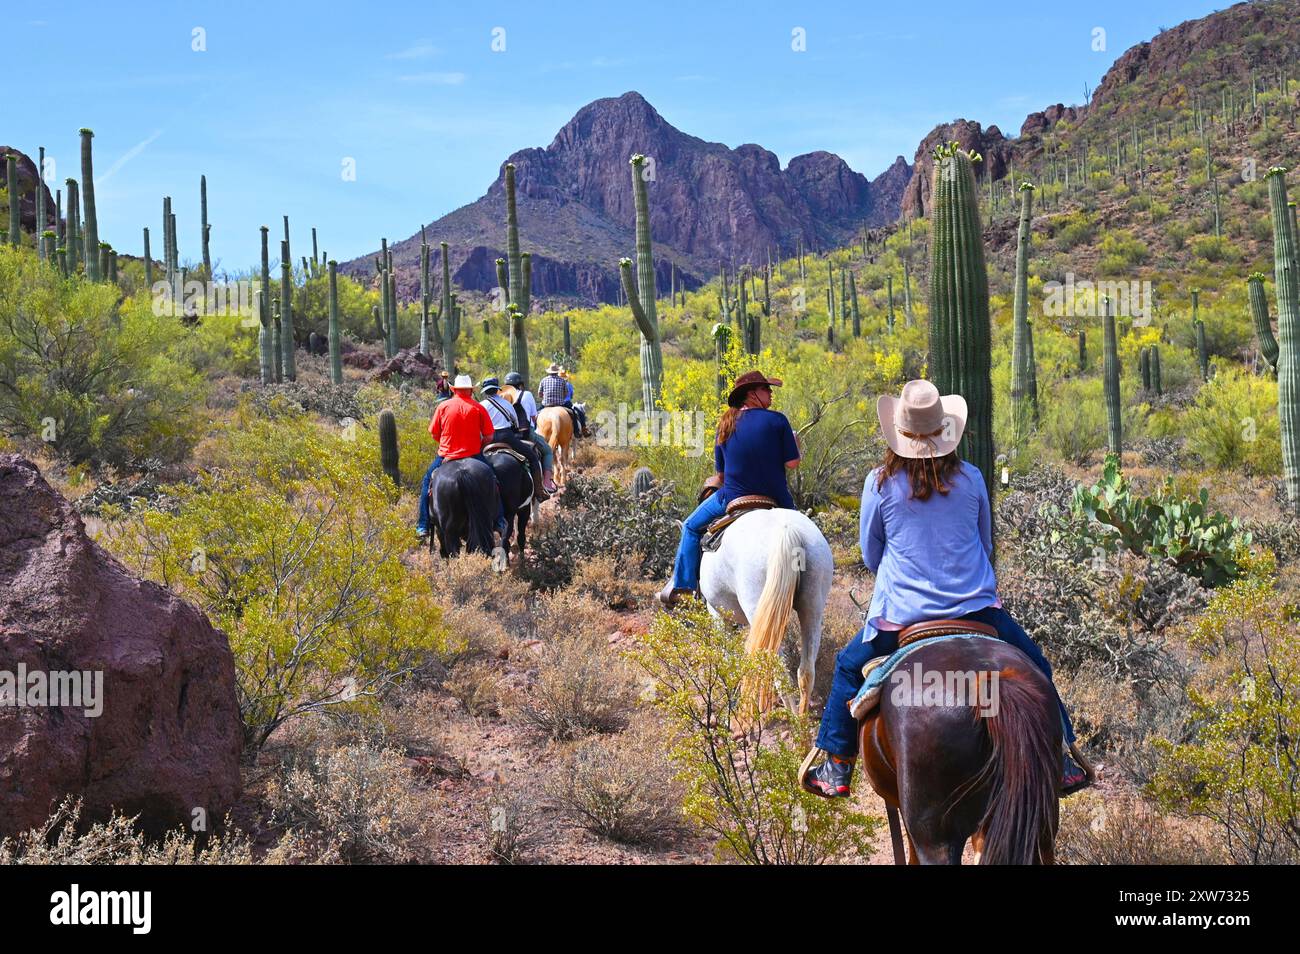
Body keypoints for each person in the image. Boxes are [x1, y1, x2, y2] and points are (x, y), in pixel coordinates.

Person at [799, 378, 1092, 800]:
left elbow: (869, 553)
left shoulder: (879, 483)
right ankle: (1062, 755)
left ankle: (836, 765)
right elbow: (986, 545)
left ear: (898, 434)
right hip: (977, 613)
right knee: (1036, 665)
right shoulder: (971, 478)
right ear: (947, 432)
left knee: (848, 667)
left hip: (902, 618)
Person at [657, 370, 800, 608]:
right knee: (799, 535)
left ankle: (683, 587)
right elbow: (792, 463)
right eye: (766, 389)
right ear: (752, 394)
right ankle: (800, 575)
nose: (771, 393)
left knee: (691, 527)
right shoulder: (778, 420)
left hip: (732, 497)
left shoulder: (725, 424)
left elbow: (721, 476)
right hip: (777, 497)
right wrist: (796, 446)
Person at [416, 374, 508, 540]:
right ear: (471, 390)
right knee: (494, 481)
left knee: (426, 482)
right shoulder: (479, 408)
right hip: (473, 454)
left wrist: (444, 443)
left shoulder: (443, 407)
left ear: (453, 390)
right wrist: (478, 446)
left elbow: (434, 433)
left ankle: (423, 525)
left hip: (446, 455)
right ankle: (500, 520)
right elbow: (489, 436)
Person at [480, 376, 553, 498]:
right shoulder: (507, 403)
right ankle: (539, 491)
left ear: (485, 391)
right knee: (533, 458)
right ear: (497, 389)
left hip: (488, 439)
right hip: (507, 437)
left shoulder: (481, 405)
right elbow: (516, 424)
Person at [501, 371, 558, 494]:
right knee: (547, 451)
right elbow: (533, 417)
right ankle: (547, 483)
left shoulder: (501, 396)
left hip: (506, 435)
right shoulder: (527, 394)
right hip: (526, 434)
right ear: (520, 385)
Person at [537, 363, 585, 437]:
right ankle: (576, 431)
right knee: (573, 413)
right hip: (560, 404)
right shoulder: (562, 381)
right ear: (557, 372)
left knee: (536, 414)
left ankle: (534, 431)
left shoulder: (543, 380)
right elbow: (566, 394)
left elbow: (539, 394)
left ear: (549, 372)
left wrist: (546, 397)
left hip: (546, 404)